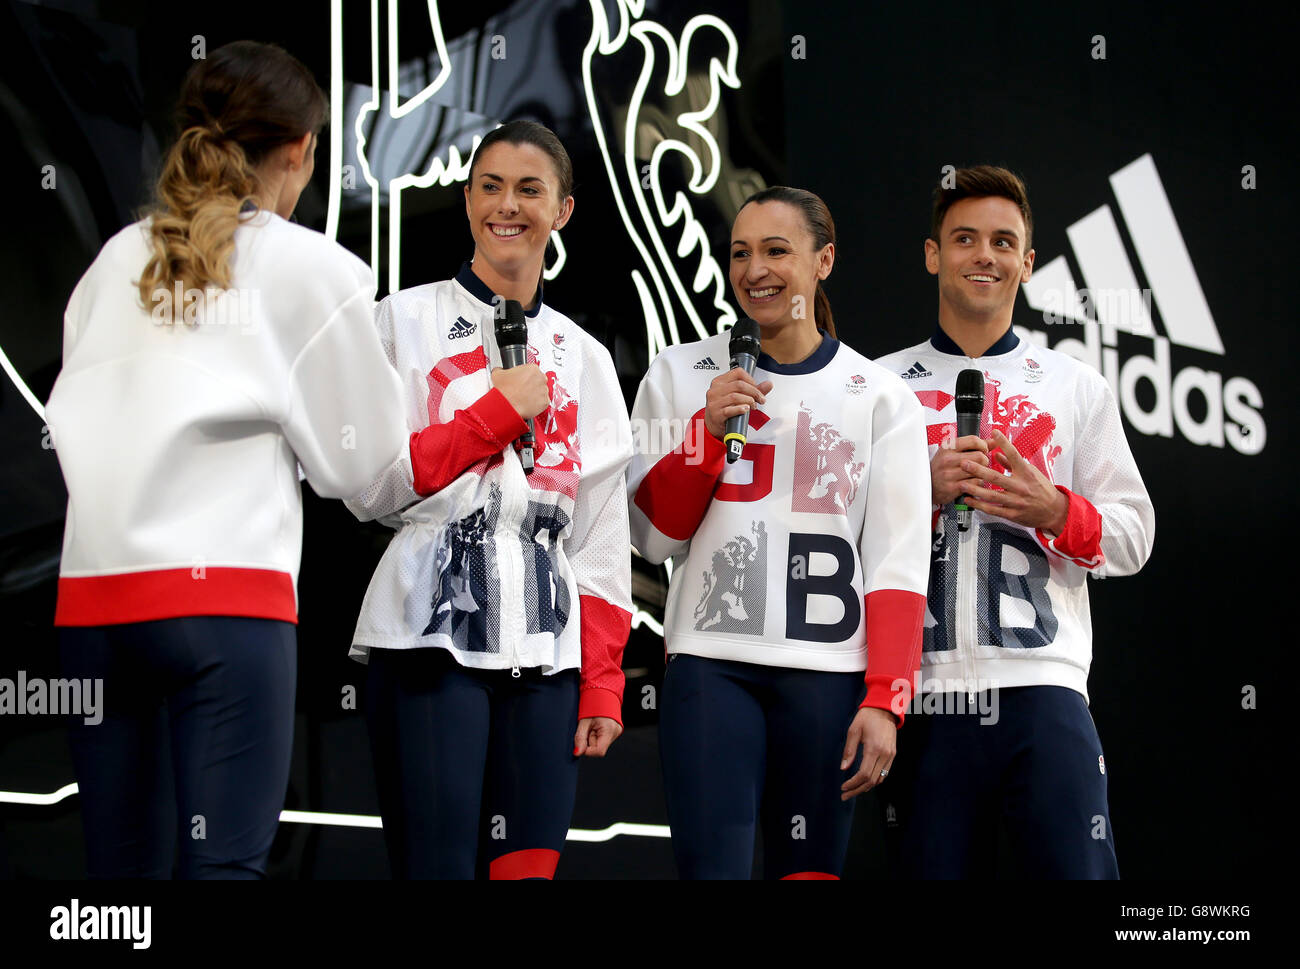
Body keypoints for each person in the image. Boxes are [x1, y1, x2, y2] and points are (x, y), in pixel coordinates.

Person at [44, 41, 408, 878]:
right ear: (302, 151)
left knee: (119, 889)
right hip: (226, 610)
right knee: (224, 872)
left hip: (95, 608)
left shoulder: (111, 267)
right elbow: (363, 470)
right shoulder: (310, 268)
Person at [345, 120, 633, 880]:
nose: (508, 205)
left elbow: (603, 536)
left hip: (547, 645)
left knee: (526, 871)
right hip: (428, 632)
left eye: (529, 189)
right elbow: (367, 488)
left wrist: (603, 676)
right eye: (490, 187)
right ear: (468, 200)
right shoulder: (401, 320)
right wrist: (492, 417)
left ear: (562, 210)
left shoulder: (586, 355)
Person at [627, 186, 932, 879]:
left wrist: (887, 697)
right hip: (709, 665)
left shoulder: (880, 394)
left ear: (823, 260)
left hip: (828, 678)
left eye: (776, 250)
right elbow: (651, 537)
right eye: (740, 252)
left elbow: (896, 561)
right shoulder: (679, 372)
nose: (754, 269)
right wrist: (703, 438)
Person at [875, 165, 1155, 878]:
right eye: (964, 238)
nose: (984, 255)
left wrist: (1056, 509)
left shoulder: (1076, 386)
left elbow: (1134, 534)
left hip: (1045, 683)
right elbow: (831, 537)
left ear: (1028, 263)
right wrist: (917, 488)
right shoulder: (875, 385)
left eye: (1004, 241)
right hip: (922, 692)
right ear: (932, 253)